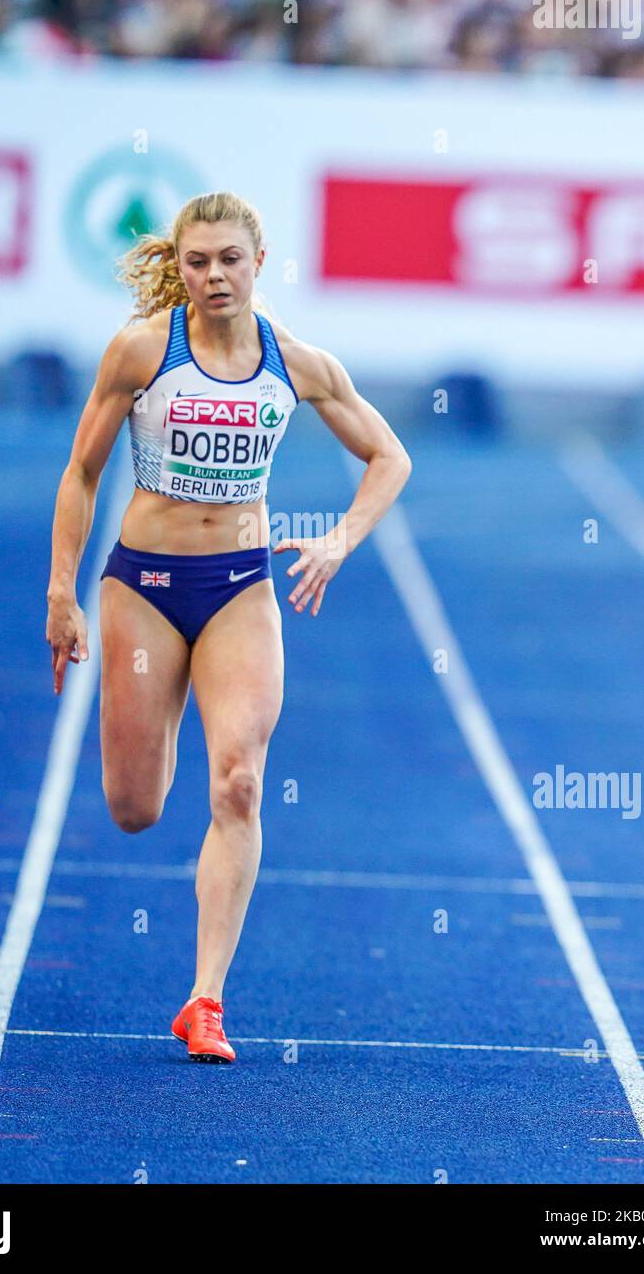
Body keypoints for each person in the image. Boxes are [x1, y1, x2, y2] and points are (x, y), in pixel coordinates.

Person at [45, 191, 411, 1063]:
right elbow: (80, 476)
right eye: (197, 261)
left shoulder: (298, 363)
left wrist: (338, 538)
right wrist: (62, 593)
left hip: (242, 587)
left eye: (229, 260)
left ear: (259, 261)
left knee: (240, 782)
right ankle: (160, 725)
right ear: (180, 265)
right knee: (136, 807)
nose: (214, 276)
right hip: (143, 586)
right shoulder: (142, 350)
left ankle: (205, 999)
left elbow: (390, 456)